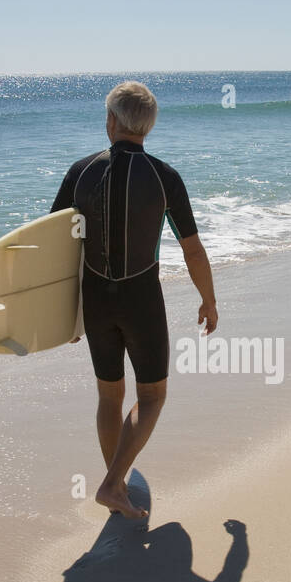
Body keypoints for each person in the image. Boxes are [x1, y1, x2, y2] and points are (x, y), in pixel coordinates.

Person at [50, 81, 217, 520]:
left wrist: (62, 314)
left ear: (111, 121)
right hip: (142, 299)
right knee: (153, 396)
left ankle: (118, 485)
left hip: (95, 299)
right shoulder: (165, 177)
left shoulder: (81, 171)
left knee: (110, 396)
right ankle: (111, 483)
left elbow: (54, 246)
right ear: (148, 126)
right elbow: (192, 248)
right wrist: (209, 300)